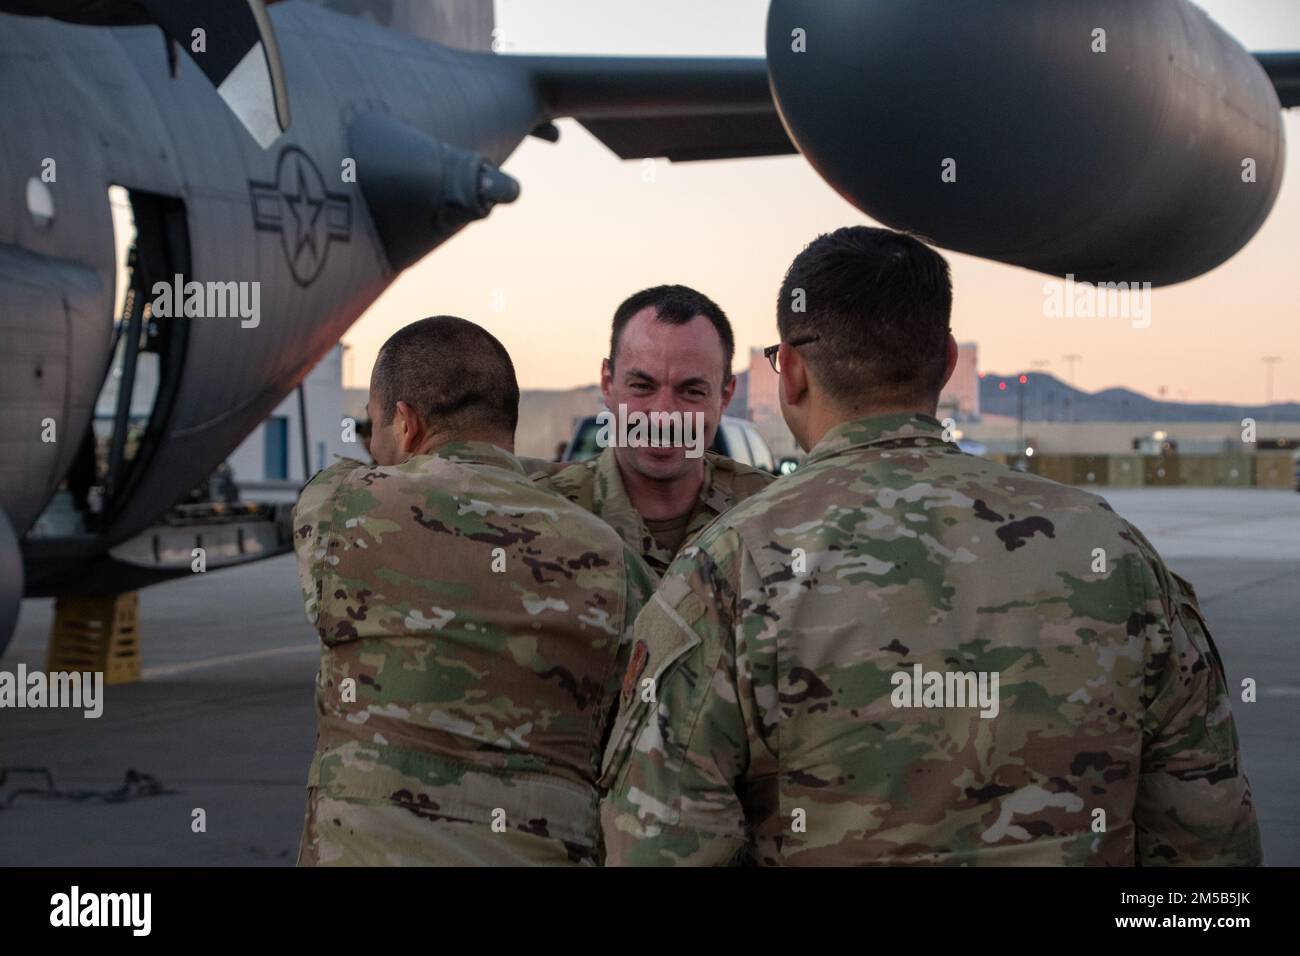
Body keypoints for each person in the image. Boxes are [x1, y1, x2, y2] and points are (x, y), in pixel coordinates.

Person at [601, 227, 1262, 866]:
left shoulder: (728, 568)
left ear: (792, 373)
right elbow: (1209, 838)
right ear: (946, 362)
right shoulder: (1114, 553)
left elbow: (661, 842)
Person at [293, 316, 654, 865]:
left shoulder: (340, 508)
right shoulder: (613, 560)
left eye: (375, 427)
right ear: (508, 421)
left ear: (405, 423)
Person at [529, 285, 773, 577]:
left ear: (725, 397)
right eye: (642, 387)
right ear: (608, 384)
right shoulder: (538, 517)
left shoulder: (775, 517)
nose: (663, 417)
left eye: (691, 391)